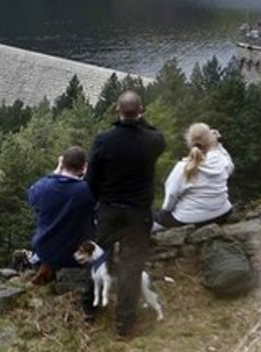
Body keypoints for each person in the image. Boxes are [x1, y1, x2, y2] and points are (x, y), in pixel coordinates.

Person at [84, 90, 166, 338]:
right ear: (141, 111)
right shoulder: (153, 140)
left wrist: (99, 201)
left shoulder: (104, 140)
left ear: (117, 111)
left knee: (98, 260)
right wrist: (140, 119)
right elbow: (151, 131)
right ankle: (124, 325)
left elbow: (91, 179)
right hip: (138, 215)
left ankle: (89, 309)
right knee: (131, 267)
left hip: (109, 210)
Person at [27, 146, 96, 284]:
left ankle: (47, 268)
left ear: (62, 163)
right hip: (76, 255)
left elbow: (32, 196)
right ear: (84, 167)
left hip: (45, 251)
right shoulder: (87, 190)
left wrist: (57, 170)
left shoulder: (42, 187)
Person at [156, 123, 235, 228]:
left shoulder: (183, 167)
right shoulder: (221, 159)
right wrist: (217, 143)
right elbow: (230, 168)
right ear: (211, 140)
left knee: (157, 217)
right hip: (222, 212)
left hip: (190, 219)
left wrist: (165, 212)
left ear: (189, 141)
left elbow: (171, 194)